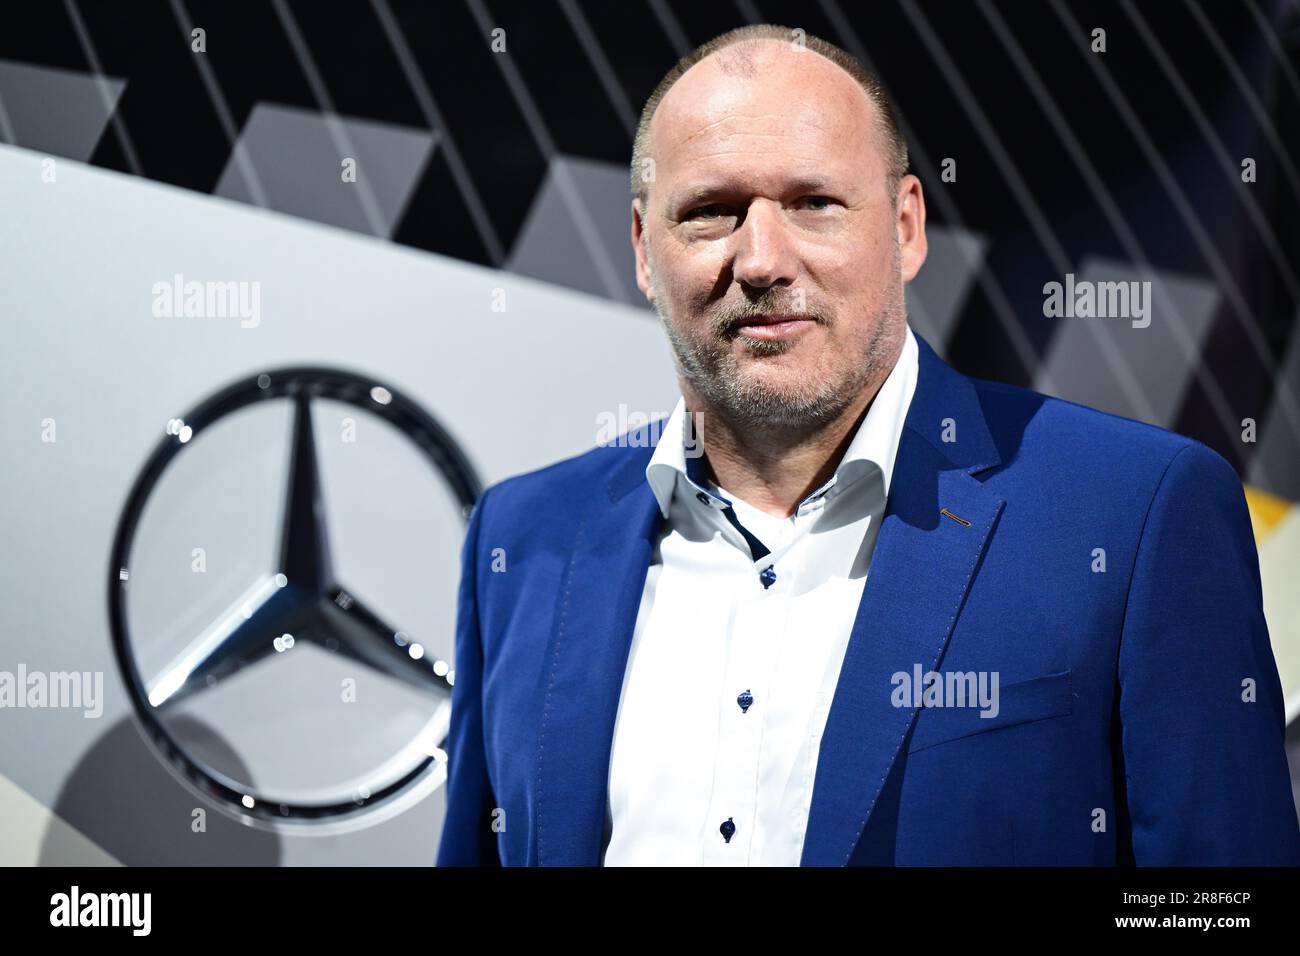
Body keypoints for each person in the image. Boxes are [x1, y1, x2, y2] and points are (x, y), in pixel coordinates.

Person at [436, 23, 1300, 866]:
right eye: (710, 212)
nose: (763, 259)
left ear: (906, 226)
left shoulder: (1136, 511)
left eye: (814, 202)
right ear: (642, 250)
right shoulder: (523, 537)